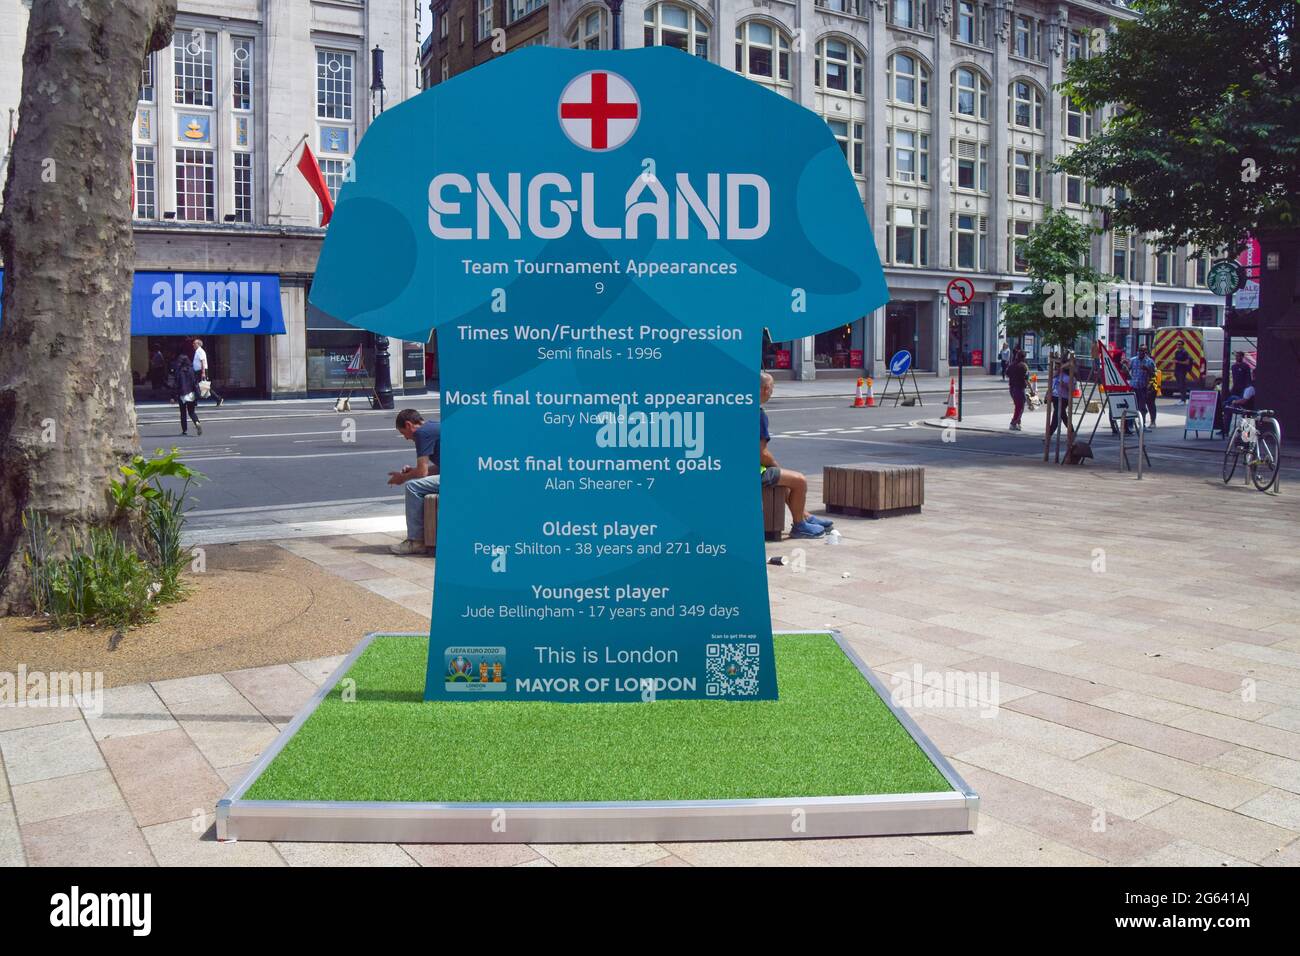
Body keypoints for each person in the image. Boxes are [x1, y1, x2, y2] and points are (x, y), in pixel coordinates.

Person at [759, 372, 832, 539]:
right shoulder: (758, 414)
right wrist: (775, 466)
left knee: (782, 480)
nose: (772, 392)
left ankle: (804, 515)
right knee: (799, 480)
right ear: (765, 389)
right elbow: (761, 453)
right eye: (773, 388)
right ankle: (800, 525)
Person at [387, 408, 441, 555]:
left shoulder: (422, 434)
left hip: (458, 477)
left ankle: (416, 541)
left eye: (403, 433)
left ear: (409, 425)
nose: (406, 438)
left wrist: (402, 478)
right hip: (461, 474)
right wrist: (412, 471)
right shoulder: (432, 427)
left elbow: (422, 472)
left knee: (412, 487)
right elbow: (440, 468)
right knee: (415, 483)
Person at [172, 350, 201, 436]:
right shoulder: (191, 370)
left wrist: (173, 396)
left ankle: (184, 430)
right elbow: (195, 383)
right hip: (191, 393)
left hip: (182, 393)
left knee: (183, 413)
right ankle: (197, 422)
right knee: (191, 412)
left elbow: (176, 384)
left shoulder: (179, 371)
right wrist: (197, 393)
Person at [190, 337, 225, 408]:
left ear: (198, 344)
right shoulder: (198, 351)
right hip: (198, 371)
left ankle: (218, 399)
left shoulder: (200, 351)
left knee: (204, 387)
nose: (193, 345)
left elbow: (203, 361)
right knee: (197, 387)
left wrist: (203, 373)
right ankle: (194, 402)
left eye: (194, 343)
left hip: (201, 371)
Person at [1130, 346, 1158, 427]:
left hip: (1145, 387)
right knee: (1135, 405)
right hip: (1134, 386)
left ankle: (1148, 422)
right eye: (1139, 350)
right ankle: (1135, 423)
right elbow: (1126, 370)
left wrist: (1147, 369)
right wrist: (1124, 365)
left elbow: (1154, 374)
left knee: (1147, 405)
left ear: (1146, 352)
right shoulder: (1133, 360)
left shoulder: (1149, 362)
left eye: (1143, 351)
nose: (1141, 352)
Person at [1046, 363, 1072, 438]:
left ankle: (1049, 434)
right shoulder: (1054, 377)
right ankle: (1072, 431)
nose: (1055, 370)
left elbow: (1072, 389)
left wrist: (1065, 385)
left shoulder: (1067, 377)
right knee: (1062, 416)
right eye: (1055, 368)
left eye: (1057, 368)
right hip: (1055, 398)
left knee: (1057, 416)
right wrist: (1047, 395)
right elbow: (1051, 387)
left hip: (1063, 398)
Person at [1007, 349, 1029, 431]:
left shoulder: (1012, 365)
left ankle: (1018, 423)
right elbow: (1027, 379)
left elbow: (1007, 374)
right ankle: (1013, 423)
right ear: (1024, 357)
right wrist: (1032, 390)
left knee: (1018, 406)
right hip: (1019, 388)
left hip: (1012, 388)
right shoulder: (1024, 366)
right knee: (1020, 407)